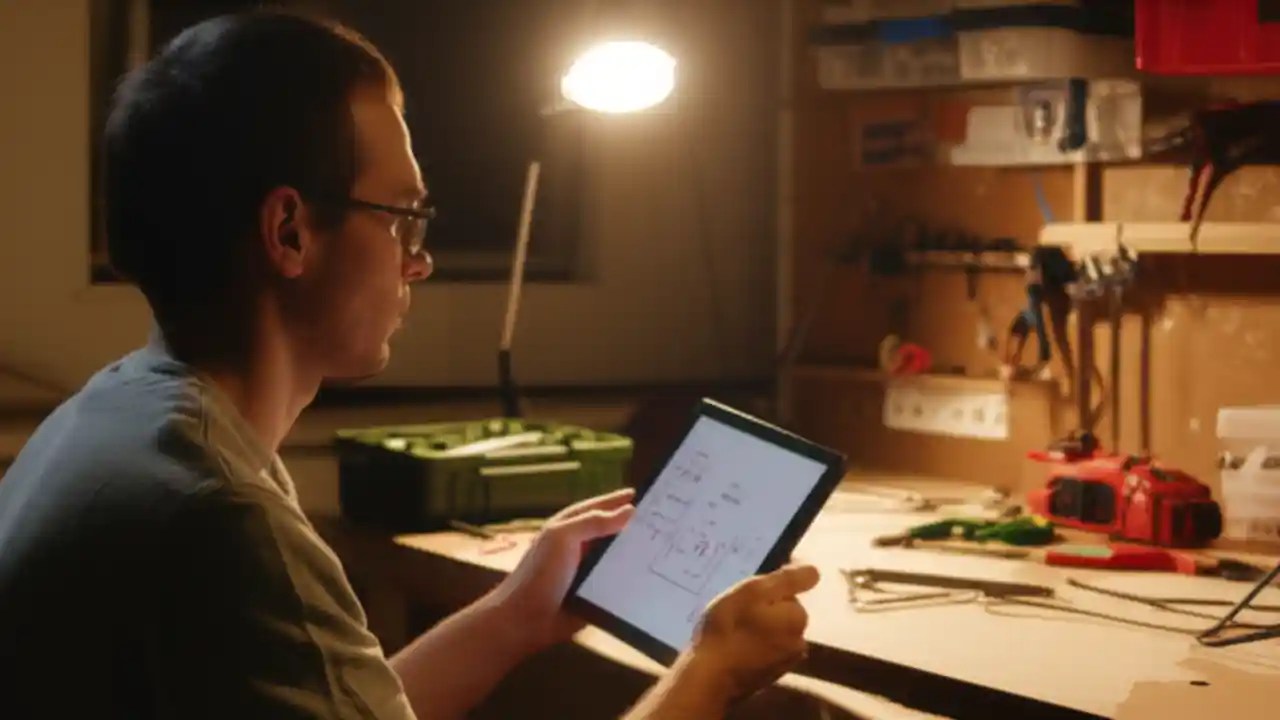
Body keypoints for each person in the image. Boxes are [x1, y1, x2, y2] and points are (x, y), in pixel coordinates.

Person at [0, 9, 820, 719]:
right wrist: (713, 672)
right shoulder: (218, 513)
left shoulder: (118, 417)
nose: (417, 263)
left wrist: (513, 615)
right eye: (403, 218)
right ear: (289, 232)